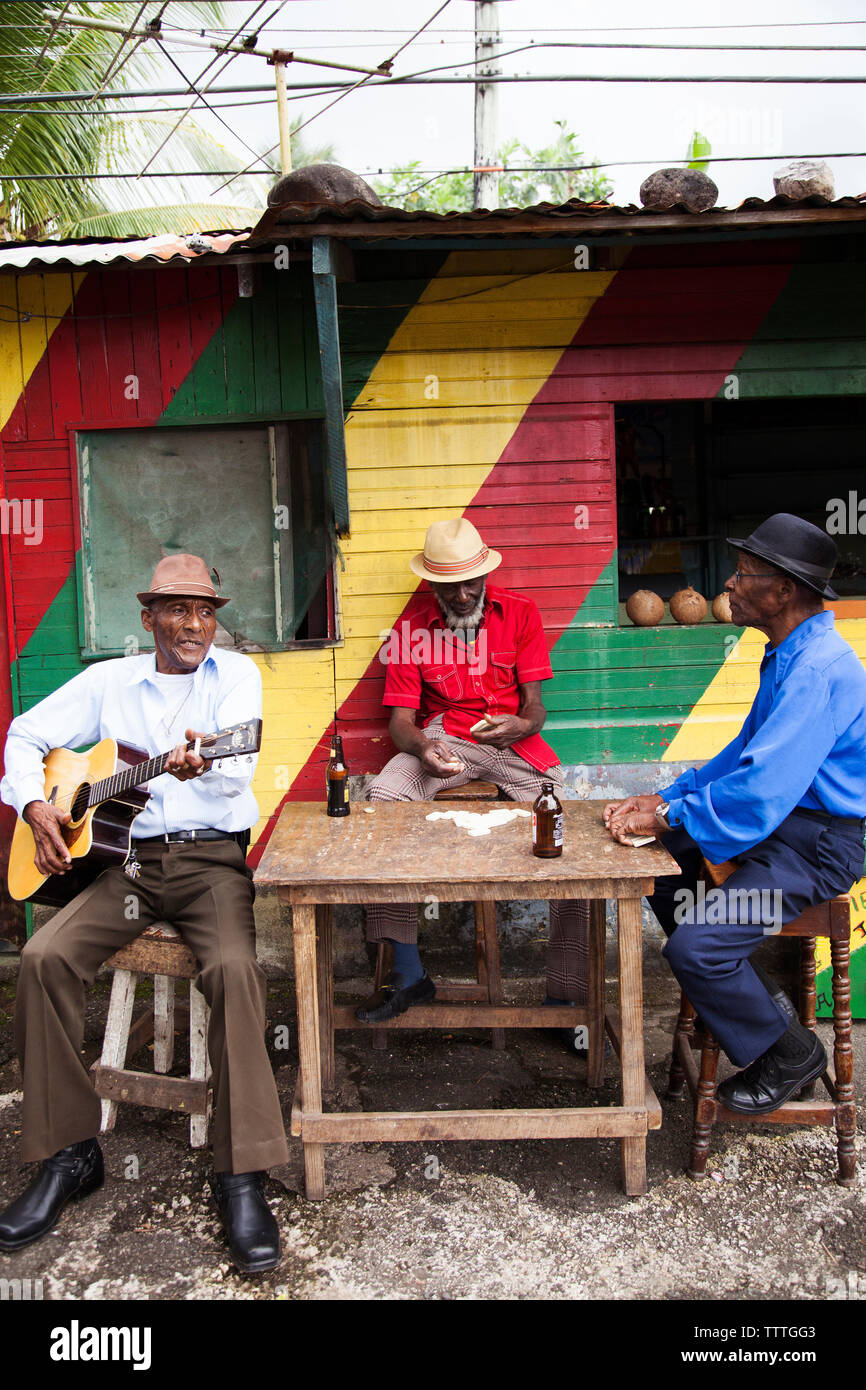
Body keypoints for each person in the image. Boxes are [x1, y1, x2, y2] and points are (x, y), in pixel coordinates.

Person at [0, 554, 288, 1274]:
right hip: (125, 866)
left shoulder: (237, 679)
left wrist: (203, 765)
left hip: (209, 865)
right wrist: (37, 806)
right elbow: (24, 736)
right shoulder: (109, 682)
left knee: (233, 971)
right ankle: (70, 1156)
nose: (195, 625)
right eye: (179, 610)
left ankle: (241, 1172)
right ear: (149, 617)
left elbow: (236, 777)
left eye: (206, 611)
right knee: (43, 959)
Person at [604, 514, 866, 1114]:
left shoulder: (820, 670)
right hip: (782, 831)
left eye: (746, 575)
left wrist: (670, 816)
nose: (730, 584)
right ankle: (756, 1005)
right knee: (666, 878)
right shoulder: (788, 654)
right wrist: (669, 797)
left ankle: (788, 1051)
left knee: (695, 949)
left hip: (813, 848)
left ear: (784, 593)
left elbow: (760, 792)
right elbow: (740, 756)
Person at [355, 518, 589, 1035]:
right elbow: (399, 722)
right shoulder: (411, 630)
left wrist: (521, 724)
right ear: (432, 584)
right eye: (449, 585)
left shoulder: (522, 613)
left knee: (572, 837)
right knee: (383, 801)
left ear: (485, 575)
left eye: (470, 583)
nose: (462, 595)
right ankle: (410, 973)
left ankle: (567, 999)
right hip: (447, 738)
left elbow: (536, 708)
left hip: (511, 740)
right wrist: (423, 746)